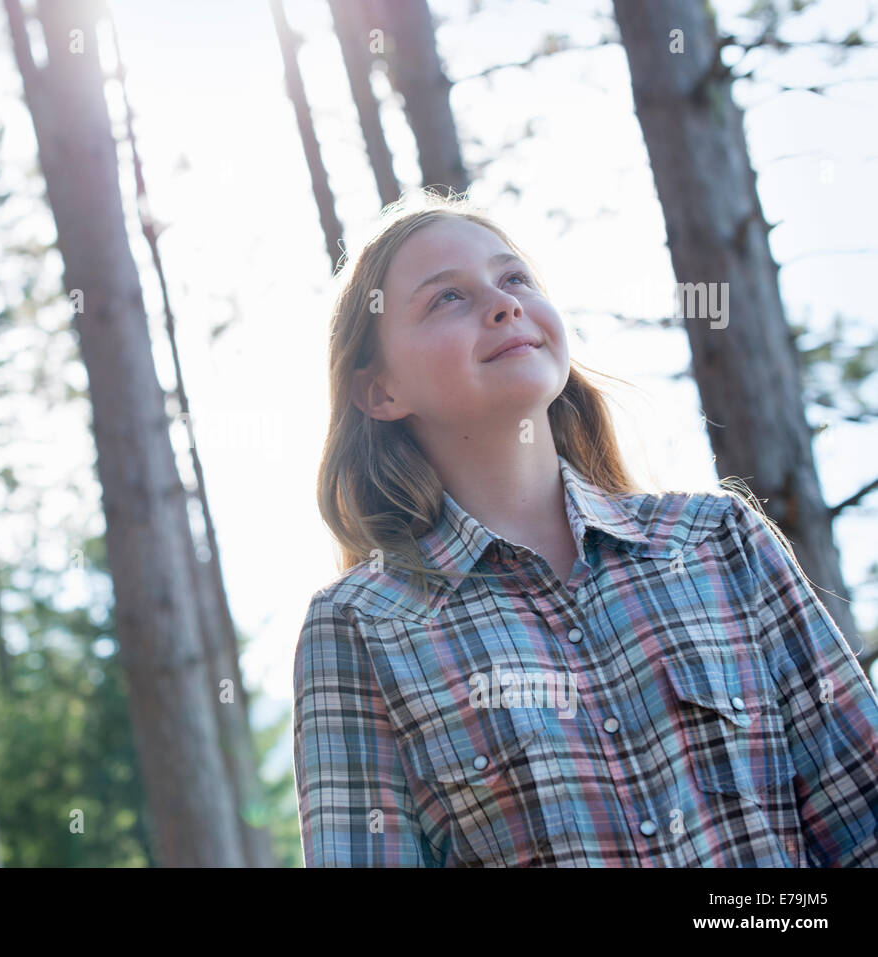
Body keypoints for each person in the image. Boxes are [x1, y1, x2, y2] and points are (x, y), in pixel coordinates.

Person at [293, 190, 878, 867]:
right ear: (381, 391)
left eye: (514, 278)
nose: (505, 303)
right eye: (445, 298)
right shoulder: (361, 626)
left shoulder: (720, 540)